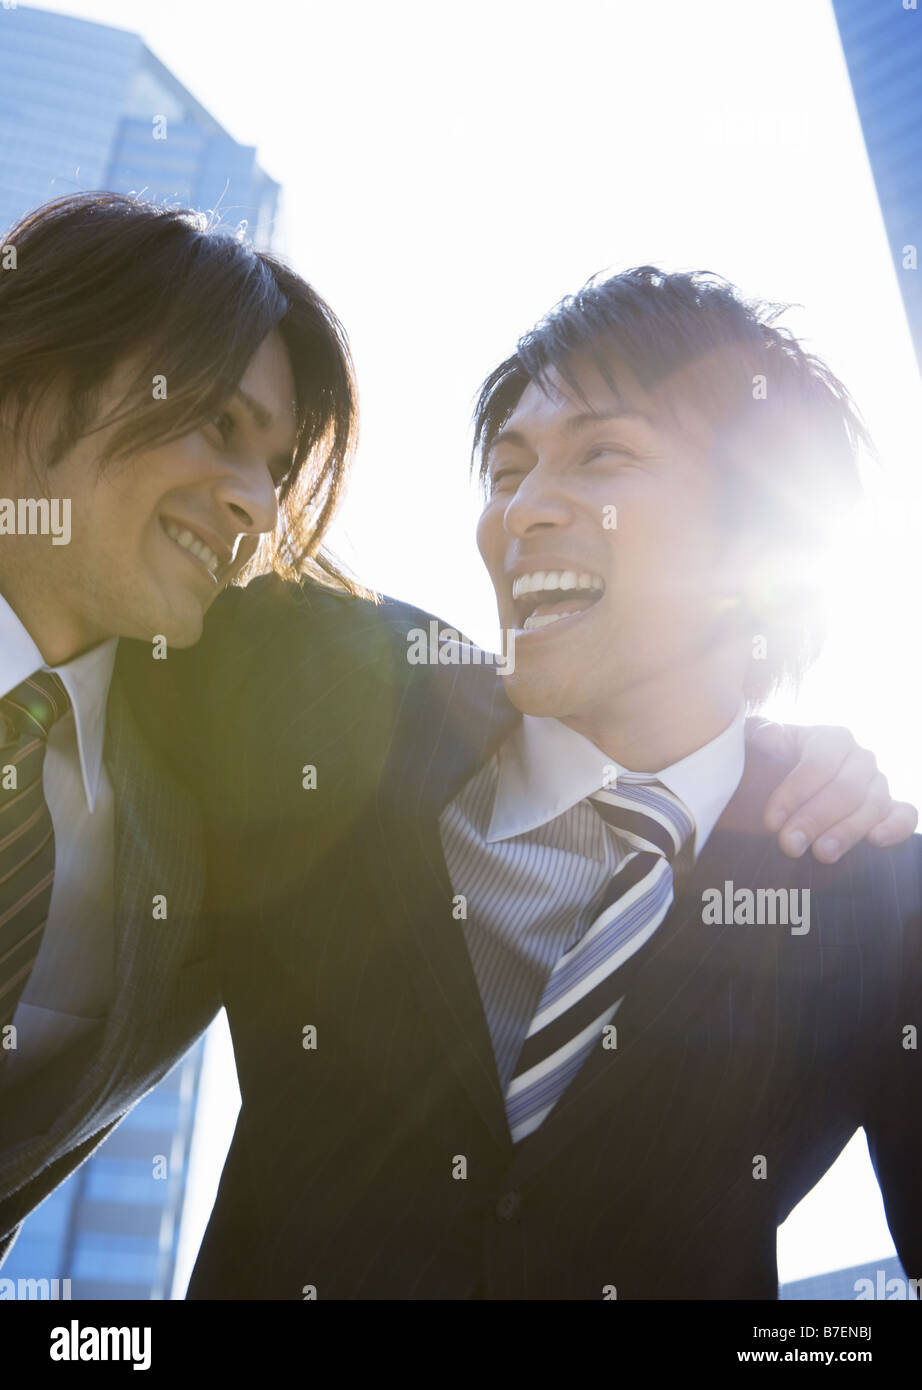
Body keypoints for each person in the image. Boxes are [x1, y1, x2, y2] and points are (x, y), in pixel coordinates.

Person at [116, 266, 921, 1299]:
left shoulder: (874, 900)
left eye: (602, 454)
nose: (523, 511)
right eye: (507, 469)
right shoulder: (324, 683)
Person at [0, 190, 357, 1266]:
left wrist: (760, 763)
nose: (257, 503)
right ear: (34, 365)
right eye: (218, 424)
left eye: (277, 465)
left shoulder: (199, 831)